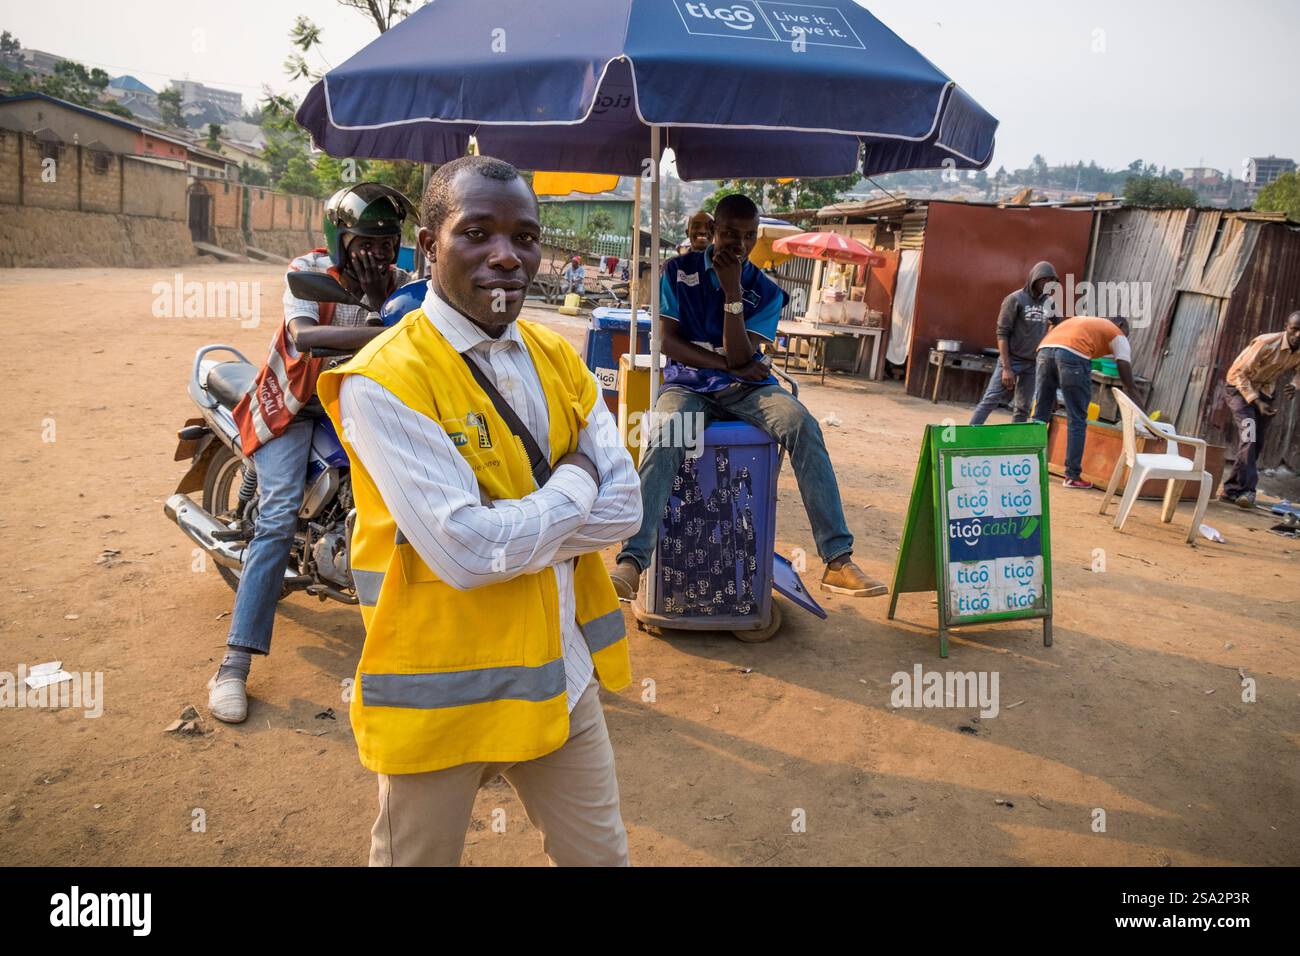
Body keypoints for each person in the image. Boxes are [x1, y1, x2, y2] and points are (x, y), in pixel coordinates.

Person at [316, 155, 641, 867]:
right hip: (442, 691)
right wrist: (576, 478)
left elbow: (625, 509)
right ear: (430, 246)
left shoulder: (560, 357)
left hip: (561, 673)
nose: (507, 255)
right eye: (477, 233)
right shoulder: (385, 380)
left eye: (525, 237)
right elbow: (468, 552)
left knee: (602, 860)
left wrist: (516, 526)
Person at [610, 193, 887, 600]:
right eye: (728, 234)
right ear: (712, 231)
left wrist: (732, 292)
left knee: (802, 425)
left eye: (747, 235)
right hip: (688, 386)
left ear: (756, 237)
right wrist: (728, 365)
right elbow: (669, 344)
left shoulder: (767, 292)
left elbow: (744, 354)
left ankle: (837, 560)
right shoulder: (678, 272)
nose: (737, 244)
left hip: (749, 391)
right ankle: (632, 561)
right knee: (667, 434)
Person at [207, 183, 414, 724]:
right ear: (339, 240)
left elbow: (421, 329)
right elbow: (302, 335)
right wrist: (374, 315)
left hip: (354, 402)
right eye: (366, 243)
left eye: (388, 243)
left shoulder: (401, 282)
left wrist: (382, 305)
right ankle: (233, 665)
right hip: (296, 402)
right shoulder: (308, 270)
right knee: (275, 520)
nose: (379, 255)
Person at [1030, 315, 1136, 489]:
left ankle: (1031, 467)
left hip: (1044, 349)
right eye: (1126, 333)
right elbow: (1129, 384)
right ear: (1121, 324)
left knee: (1040, 415)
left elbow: (1057, 347)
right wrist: (1143, 415)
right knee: (1077, 418)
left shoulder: (1086, 322)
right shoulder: (1117, 334)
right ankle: (1072, 475)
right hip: (1073, 354)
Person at [1218, 311, 1300, 507]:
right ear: (1286, 327)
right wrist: (1255, 401)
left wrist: (1295, 385)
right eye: (1295, 329)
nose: (1298, 335)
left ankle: (1231, 490)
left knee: (1256, 442)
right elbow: (1237, 373)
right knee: (1249, 437)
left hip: (1265, 392)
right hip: (1239, 389)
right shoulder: (1266, 343)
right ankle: (1248, 491)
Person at [970, 261, 1061, 425]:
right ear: (1035, 278)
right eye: (1045, 280)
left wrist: (1047, 339)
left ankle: (1012, 445)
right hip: (1012, 359)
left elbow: (1057, 323)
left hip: (1033, 363)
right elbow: (1002, 333)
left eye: (1052, 281)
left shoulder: (1049, 303)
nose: (1048, 285)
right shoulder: (1015, 299)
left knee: (1023, 408)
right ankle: (968, 437)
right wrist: (1006, 368)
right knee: (990, 400)